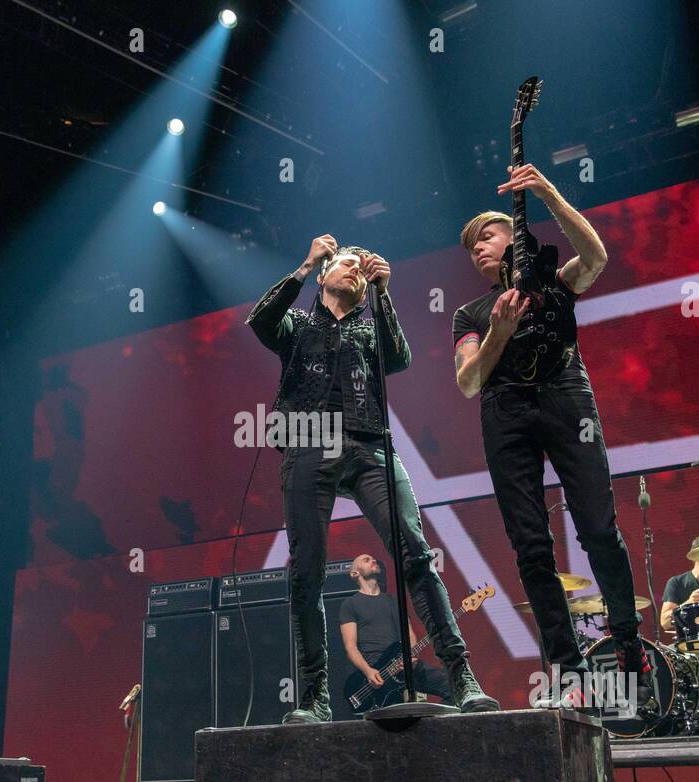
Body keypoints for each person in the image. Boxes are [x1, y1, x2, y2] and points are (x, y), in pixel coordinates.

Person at [247, 234, 498, 722]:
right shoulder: (298, 326)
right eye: (345, 265)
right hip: (308, 441)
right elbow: (260, 321)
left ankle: (461, 675)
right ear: (324, 275)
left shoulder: (366, 331)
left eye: (361, 271)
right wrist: (306, 263)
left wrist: (383, 291)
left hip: (369, 446)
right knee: (306, 572)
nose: (354, 272)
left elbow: (397, 356)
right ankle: (314, 696)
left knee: (414, 553)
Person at [450, 164, 651, 706]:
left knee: (598, 530)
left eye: (485, 238)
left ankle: (627, 636)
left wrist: (547, 192)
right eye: (470, 248)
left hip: (566, 397)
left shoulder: (556, 282)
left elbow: (597, 258)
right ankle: (567, 672)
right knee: (531, 549)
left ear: (515, 236)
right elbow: (469, 381)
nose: (478, 250)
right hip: (505, 412)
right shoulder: (470, 313)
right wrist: (500, 331)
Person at [339, 554, 454, 707]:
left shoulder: (394, 601)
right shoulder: (350, 604)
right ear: (355, 573)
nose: (373, 560)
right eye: (366, 560)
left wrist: (410, 657)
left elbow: (409, 634)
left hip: (402, 663)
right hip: (375, 669)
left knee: (452, 686)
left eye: (374, 559)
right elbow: (350, 647)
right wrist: (368, 671)